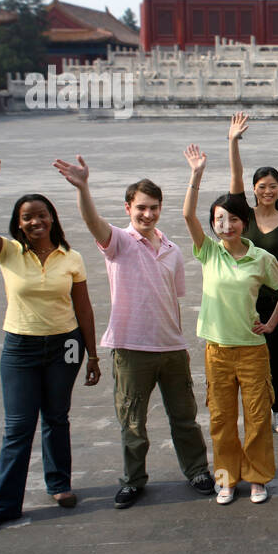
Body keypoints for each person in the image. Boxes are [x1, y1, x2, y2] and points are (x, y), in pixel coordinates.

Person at [52, 155, 215, 509]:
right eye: (141, 208)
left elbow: (172, 300)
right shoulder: (119, 243)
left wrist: (182, 343)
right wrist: (83, 188)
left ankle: (198, 470)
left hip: (171, 348)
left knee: (185, 417)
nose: (148, 214)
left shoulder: (172, 250)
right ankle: (133, 480)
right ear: (128, 208)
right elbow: (93, 222)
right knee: (133, 421)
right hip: (130, 348)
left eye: (154, 208)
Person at [0, 159, 100, 536]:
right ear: (18, 223)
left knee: (57, 416)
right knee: (18, 426)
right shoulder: (7, 251)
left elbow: (83, 308)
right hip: (19, 348)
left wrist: (93, 355)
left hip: (66, 346)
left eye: (41, 215)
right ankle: (3, 505)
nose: (35, 222)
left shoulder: (71, 258)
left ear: (52, 218)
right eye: (27, 218)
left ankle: (59, 485)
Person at [182, 144, 278, 506]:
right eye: (219, 220)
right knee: (222, 419)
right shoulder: (208, 252)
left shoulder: (260, 258)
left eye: (232, 219)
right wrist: (196, 176)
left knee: (258, 418)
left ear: (244, 221)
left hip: (252, 349)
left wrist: (272, 323)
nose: (225, 226)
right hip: (217, 350)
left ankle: (258, 478)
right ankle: (226, 479)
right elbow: (187, 217)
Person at [228, 112, 278, 432]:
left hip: (272, 298)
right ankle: (252, 408)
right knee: (243, 354)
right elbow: (235, 177)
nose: (268, 191)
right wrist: (233, 142)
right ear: (254, 189)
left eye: (273, 186)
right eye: (262, 186)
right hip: (241, 297)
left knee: (275, 354)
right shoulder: (244, 214)